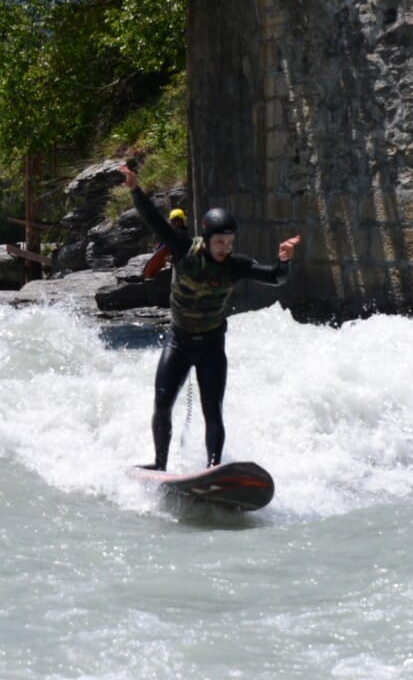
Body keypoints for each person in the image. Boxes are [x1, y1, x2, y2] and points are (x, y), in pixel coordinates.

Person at [117, 163, 301, 470]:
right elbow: (154, 219)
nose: (225, 249)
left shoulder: (234, 265)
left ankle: (214, 467)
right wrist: (135, 189)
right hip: (178, 342)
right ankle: (159, 464)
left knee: (212, 410)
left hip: (211, 347)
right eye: (220, 243)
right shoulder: (182, 249)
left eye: (230, 244)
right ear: (206, 237)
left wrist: (284, 262)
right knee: (162, 404)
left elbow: (275, 278)